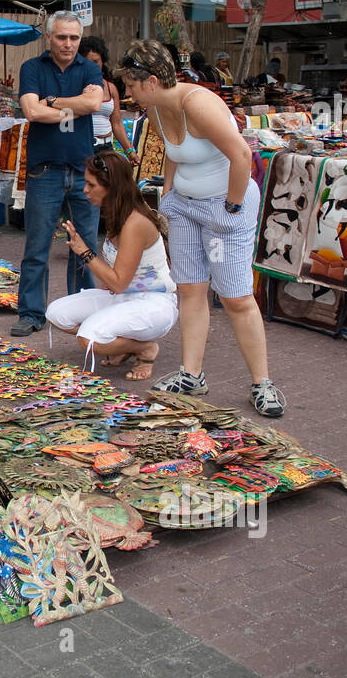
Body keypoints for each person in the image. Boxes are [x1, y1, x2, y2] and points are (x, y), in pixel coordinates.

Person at [117, 40, 285, 417]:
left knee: (236, 298)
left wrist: (232, 206)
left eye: (131, 83)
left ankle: (262, 383)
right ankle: (191, 374)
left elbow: (242, 155)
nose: (127, 91)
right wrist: (170, 197)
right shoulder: (157, 109)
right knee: (190, 290)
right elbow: (174, 155)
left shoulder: (198, 104)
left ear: (151, 80)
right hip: (186, 208)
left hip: (225, 207)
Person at [46, 149, 178, 381]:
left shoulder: (135, 222)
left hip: (154, 303)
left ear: (111, 187)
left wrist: (84, 251)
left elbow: (118, 281)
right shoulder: (116, 214)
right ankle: (122, 345)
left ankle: (144, 349)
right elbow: (118, 282)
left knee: (89, 338)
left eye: (91, 185)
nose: (85, 190)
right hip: (124, 295)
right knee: (56, 313)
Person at [12, 10, 105, 337]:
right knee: (36, 247)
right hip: (45, 171)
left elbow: (94, 105)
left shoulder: (89, 67)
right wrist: (70, 105)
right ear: (48, 37)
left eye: (74, 38)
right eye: (62, 37)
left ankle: (81, 312)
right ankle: (31, 314)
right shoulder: (33, 68)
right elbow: (31, 111)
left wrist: (51, 102)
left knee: (85, 247)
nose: (68, 44)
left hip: (84, 173)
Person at [80, 36, 129, 153]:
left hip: (106, 148)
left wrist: (129, 150)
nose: (91, 66)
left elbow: (116, 123)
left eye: (95, 62)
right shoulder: (74, 86)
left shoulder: (110, 88)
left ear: (102, 62)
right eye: (86, 62)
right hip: (83, 147)